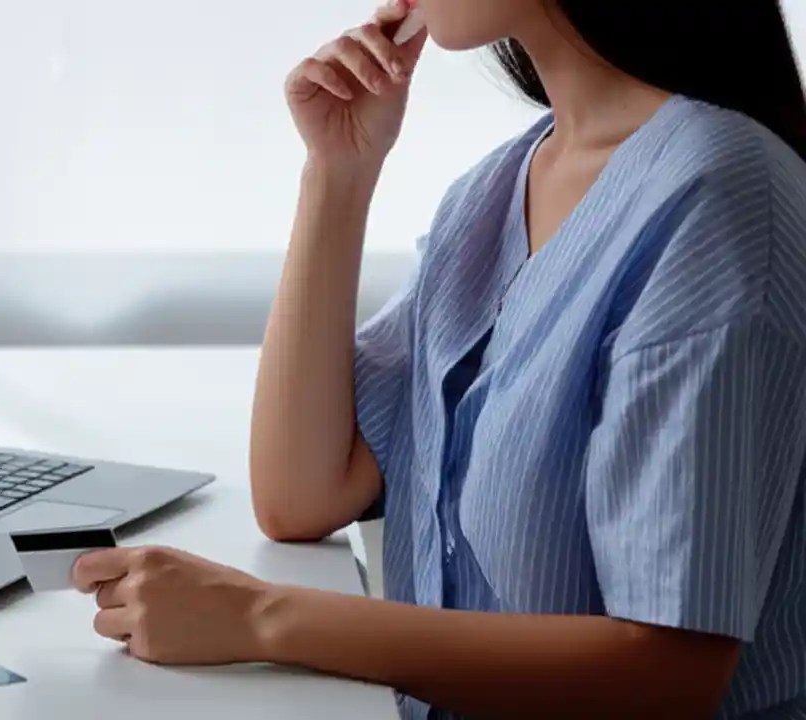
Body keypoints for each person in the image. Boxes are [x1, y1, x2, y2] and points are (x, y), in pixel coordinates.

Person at [72, 0, 806, 717]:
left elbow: (668, 676)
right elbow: (303, 495)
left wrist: (261, 616)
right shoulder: (494, 193)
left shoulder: (716, 196)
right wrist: (336, 175)